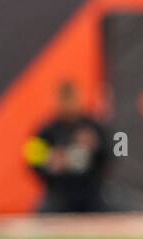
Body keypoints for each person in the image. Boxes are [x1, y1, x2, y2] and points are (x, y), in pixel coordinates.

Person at [24, 81, 111, 213]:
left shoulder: (93, 127)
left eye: (72, 99)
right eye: (65, 99)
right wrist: (50, 160)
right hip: (59, 194)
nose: (69, 105)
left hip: (91, 193)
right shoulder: (47, 130)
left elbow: (114, 152)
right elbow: (30, 159)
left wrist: (96, 147)